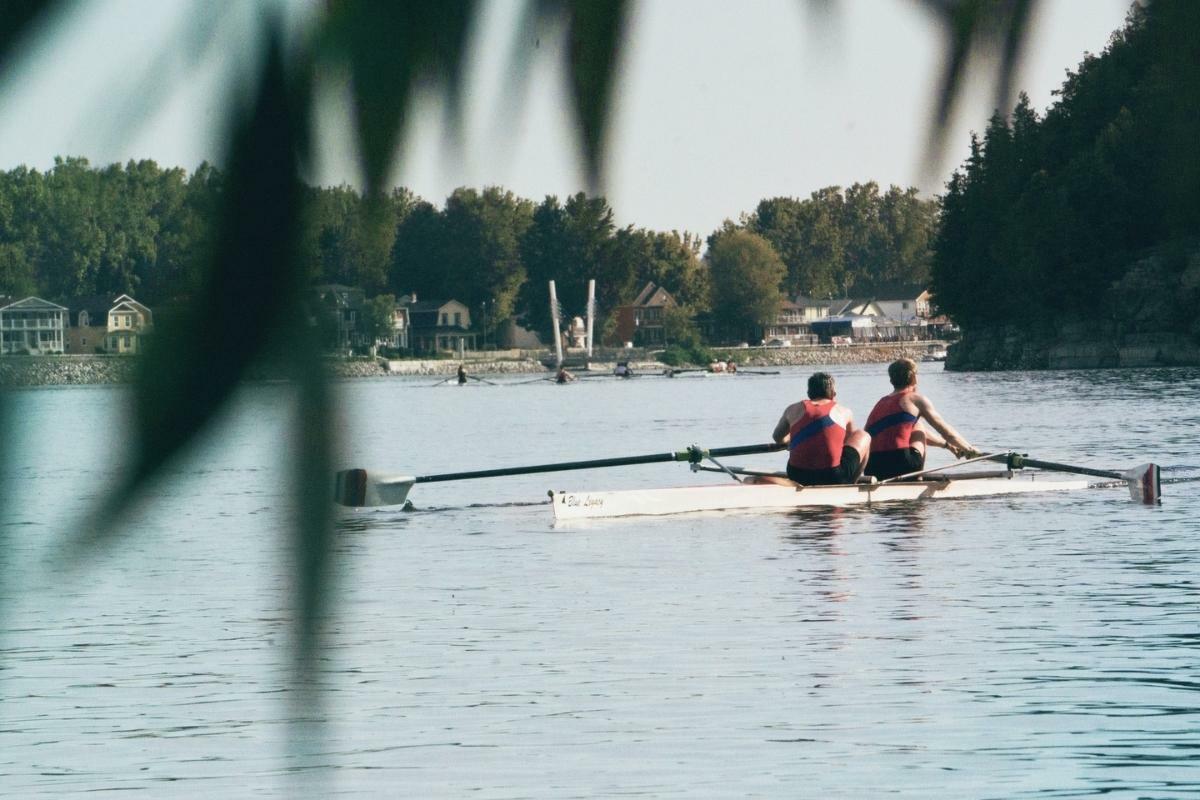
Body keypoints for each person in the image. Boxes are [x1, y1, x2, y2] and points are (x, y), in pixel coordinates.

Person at [863, 358, 975, 480]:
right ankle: (917, 478)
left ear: (891, 380)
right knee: (919, 425)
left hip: (872, 467)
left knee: (913, 425)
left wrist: (948, 446)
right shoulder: (915, 399)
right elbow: (947, 433)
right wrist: (969, 449)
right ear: (914, 378)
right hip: (901, 464)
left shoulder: (881, 402)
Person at [766, 372, 870, 486]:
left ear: (809, 393)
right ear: (833, 393)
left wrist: (790, 441)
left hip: (796, 475)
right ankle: (852, 484)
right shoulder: (844, 411)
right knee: (864, 435)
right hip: (832, 476)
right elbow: (848, 443)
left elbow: (777, 437)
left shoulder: (792, 409)